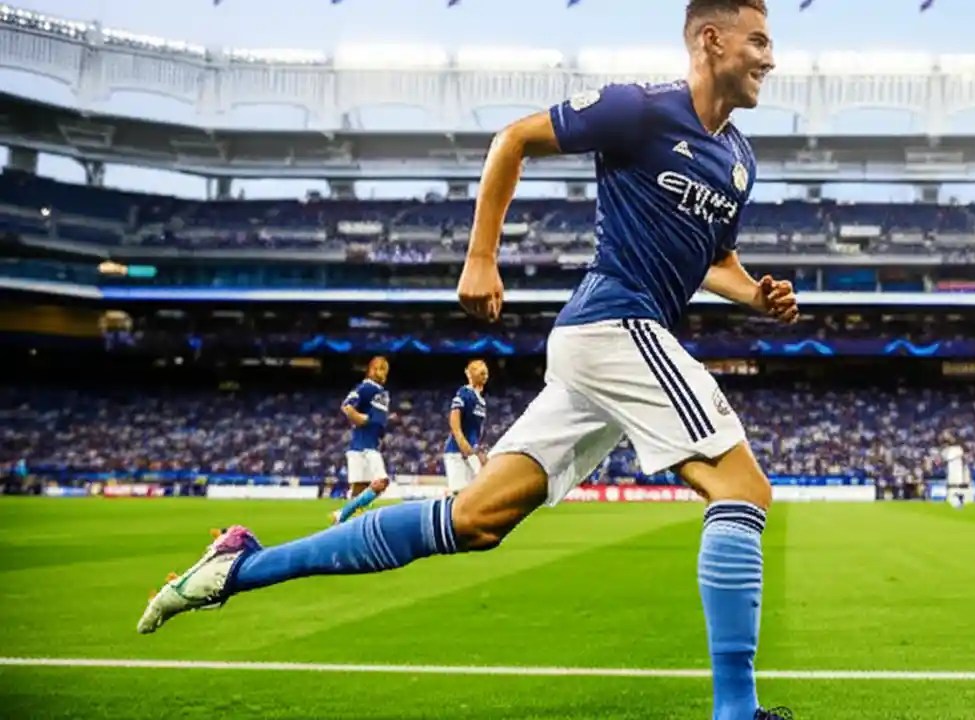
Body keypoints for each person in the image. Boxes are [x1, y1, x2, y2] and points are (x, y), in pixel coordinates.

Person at [137, 2, 794, 718]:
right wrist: (481, 257)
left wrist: (754, 294)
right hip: (614, 323)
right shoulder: (638, 110)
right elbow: (512, 139)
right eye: (758, 40)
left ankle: (242, 566)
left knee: (474, 520)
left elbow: (716, 259)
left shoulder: (739, 160)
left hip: (612, 349)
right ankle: (737, 711)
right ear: (711, 38)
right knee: (743, 490)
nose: (768, 57)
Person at [329, 357, 393, 525]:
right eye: (379, 368)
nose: (382, 372)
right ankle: (343, 514)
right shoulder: (366, 387)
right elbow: (347, 405)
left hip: (366, 445)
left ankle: (346, 522)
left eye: (385, 369)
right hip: (365, 447)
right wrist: (361, 419)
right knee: (381, 482)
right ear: (370, 370)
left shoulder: (380, 391)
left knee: (359, 490)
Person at [443, 359, 490, 496]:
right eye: (478, 369)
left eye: (484, 371)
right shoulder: (464, 392)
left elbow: (476, 431)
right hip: (457, 451)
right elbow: (454, 418)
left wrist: (478, 450)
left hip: (471, 452)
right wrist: (460, 440)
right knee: (460, 495)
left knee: (476, 494)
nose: (483, 373)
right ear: (469, 373)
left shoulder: (482, 401)